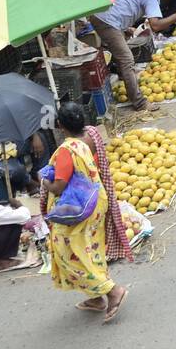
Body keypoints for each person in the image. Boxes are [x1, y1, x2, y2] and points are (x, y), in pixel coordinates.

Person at [42, 102, 130, 320]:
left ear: (61, 126)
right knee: (92, 249)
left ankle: (112, 290)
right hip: (97, 201)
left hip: (78, 209)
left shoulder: (66, 150)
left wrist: (44, 183)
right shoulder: (90, 137)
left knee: (67, 254)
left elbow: (59, 186)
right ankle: (95, 296)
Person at [88, 0, 176, 112]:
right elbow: (156, 25)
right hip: (107, 21)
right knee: (127, 59)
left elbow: (125, 3)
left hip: (104, 17)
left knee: (122, 53)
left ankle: (126, 78)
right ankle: (139, 103)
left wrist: (125, 27)